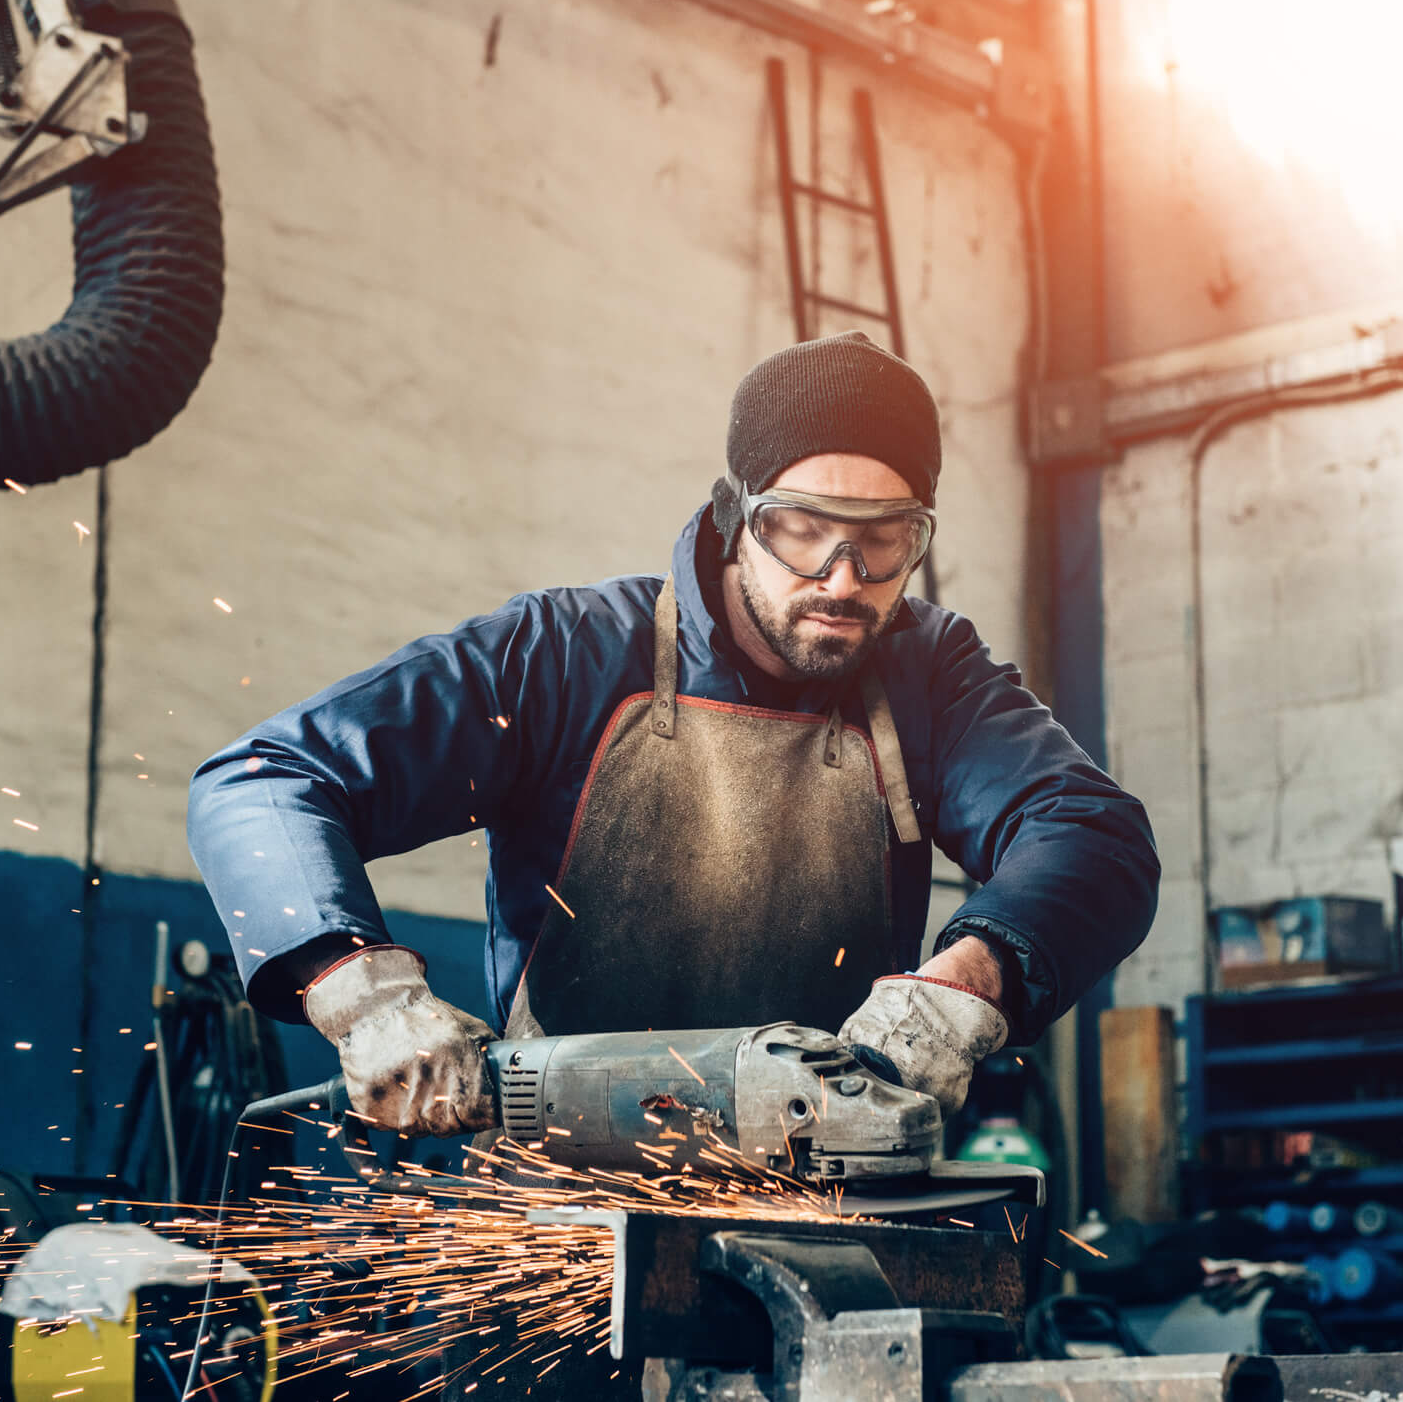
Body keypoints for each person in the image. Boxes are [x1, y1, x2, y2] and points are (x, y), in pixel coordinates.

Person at [187, 331, 1159, 1138]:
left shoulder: (926, 673)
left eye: (884, 538)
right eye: (800, 528)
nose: (841, 574)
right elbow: (267, 777)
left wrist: (962, 983)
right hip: (553, 1197)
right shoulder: (565, 657)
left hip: (820, 1179)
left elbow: (1091, 834)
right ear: (737, 515)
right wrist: (360, 994)